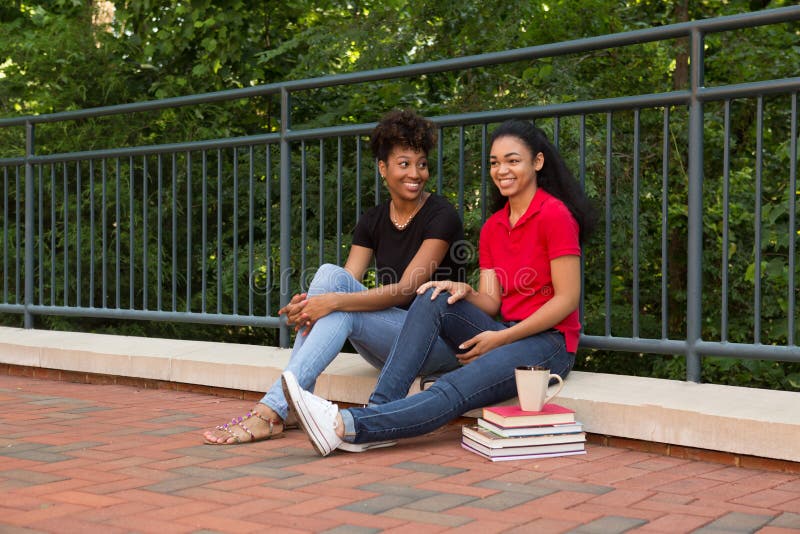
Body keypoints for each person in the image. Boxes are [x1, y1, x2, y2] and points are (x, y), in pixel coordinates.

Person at [281, 118, 598, 456]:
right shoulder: (493, 226)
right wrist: (461, 289)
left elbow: (566, 300)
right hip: (502, 329)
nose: (502, 170)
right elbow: (491, 303)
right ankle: (379, 409)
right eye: (495, 162)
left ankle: (352, 425)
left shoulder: (555, 215)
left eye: (513, 160)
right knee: (433, 294)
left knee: (452, 385)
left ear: (537, 162)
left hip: (548, 343)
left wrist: (500, 338)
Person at [203, 109, 467, 446]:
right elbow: (343, 280)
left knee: (336, 304)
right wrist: (315, 303)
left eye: (422, 163)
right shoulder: (372, 220)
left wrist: (329, 302)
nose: (415, 173)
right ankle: (291, 404)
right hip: (391, 342)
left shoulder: (441, 214)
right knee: (329, 276)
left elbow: (406, 290)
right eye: (404, 164)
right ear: (383, 168)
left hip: (437, 345)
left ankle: (272, 411)